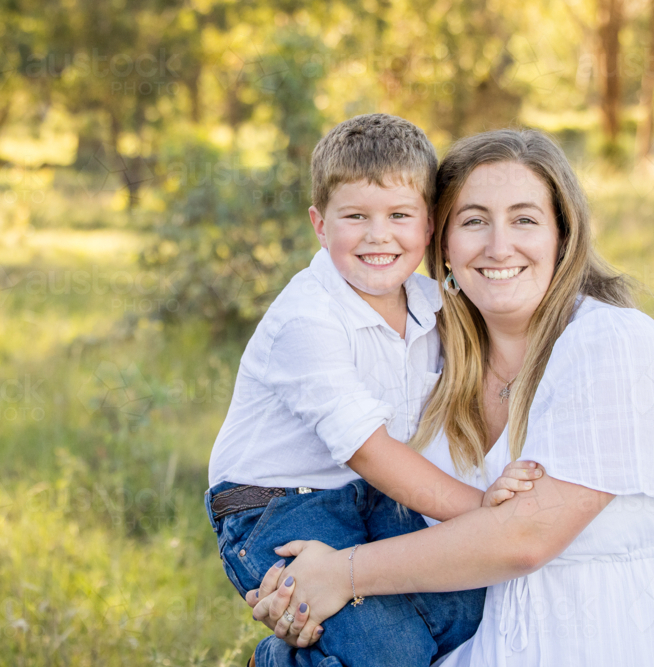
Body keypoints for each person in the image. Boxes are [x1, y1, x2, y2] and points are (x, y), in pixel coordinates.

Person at [248, 128, 654, 666]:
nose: (498, 246)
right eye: (474, 221)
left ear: (563, 235)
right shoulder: (434, 366)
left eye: (525, 220)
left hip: (615, 641)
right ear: (442, 242)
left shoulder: (612, 342)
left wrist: (343, 575)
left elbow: (525, 536)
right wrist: (298, 597)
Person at [204, 115, 540, 667]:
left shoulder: (434, 303)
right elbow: (370, 449)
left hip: (373, 492)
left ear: (430, 225)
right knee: (387, 648)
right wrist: (482, 512)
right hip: (275, 503)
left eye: (399, 216)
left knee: (470, 601)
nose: (378, 235)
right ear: (319, 223)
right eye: (355, 216)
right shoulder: (307, 319)